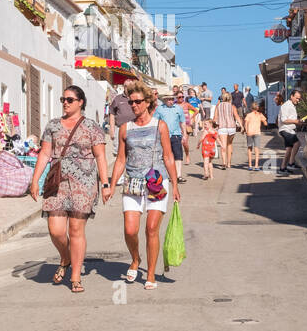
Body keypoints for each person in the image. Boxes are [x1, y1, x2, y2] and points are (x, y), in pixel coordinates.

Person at [29, 86, 109, 293]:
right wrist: (35, 180)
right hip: (58, 181)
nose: (65, 102)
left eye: (70, 99)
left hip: (84, 182)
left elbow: (100, 156)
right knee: (55, 230)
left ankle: (75, 277)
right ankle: (65, 258)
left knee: (76, 229)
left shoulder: (92, 127)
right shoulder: (53, 125)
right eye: (62, 99)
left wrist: (106, 183)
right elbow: (45, 153)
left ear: (80, 102)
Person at [108, 80, 180, 290]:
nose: (134, 106)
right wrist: (111, 185)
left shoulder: (160, 126)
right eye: (131, 102)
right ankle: (135, 259)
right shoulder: (125, 128)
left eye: (138, 102)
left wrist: (175, 184)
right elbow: (121, 159)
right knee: (130, 230)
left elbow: (168, 156)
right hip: (132, 182)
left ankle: (150, 274)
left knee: (151, 229)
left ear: (148, 102)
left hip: (156, 182)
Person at [155, 89, 189, 183]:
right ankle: (167, 175)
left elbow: (182, 122)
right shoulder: (159, 109)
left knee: (178, 156)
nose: (170, 101)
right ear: (165, 100)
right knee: (165, 156)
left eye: (171, 99)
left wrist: (184, 134)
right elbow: (155, 122)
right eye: (168, 99)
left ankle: (178, 175)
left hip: (176, 135)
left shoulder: (178, 108)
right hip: (163, 135)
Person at [213, 91, 243, 170]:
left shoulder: (218, 106)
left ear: (222, 98)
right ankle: (229, 163)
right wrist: (242, 126)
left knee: (223, 145)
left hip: (222, 127)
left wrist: (213, 126)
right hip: (231, 127)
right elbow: (236, 116)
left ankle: (224, 163)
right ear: (230, 98)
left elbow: (215, 118)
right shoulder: (232, 106)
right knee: (229, 144)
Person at [277, 90, 302, 174]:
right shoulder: (286, 105)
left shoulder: (292, 105)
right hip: (286, 129)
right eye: (297, 98)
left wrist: (298, 122)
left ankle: (282, 168)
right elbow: (283, 120)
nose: (298, 100)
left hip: (289, 129)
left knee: (289, 149)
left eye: (299, 99)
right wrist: (295, 121)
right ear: (291, 96)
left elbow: (291, 119)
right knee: (297, 143)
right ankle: (291, 163)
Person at [243, 100, 267, 171]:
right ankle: (256, 165)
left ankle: (250, 165)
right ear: (257, 108)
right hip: (257, 133)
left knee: (249, 149)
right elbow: (265, 123)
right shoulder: (260, 114)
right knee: (257, 150)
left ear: (251, 108)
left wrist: (246, 131)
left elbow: (246, 124)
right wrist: (263, 122)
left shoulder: (248, 115)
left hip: (249, 133)